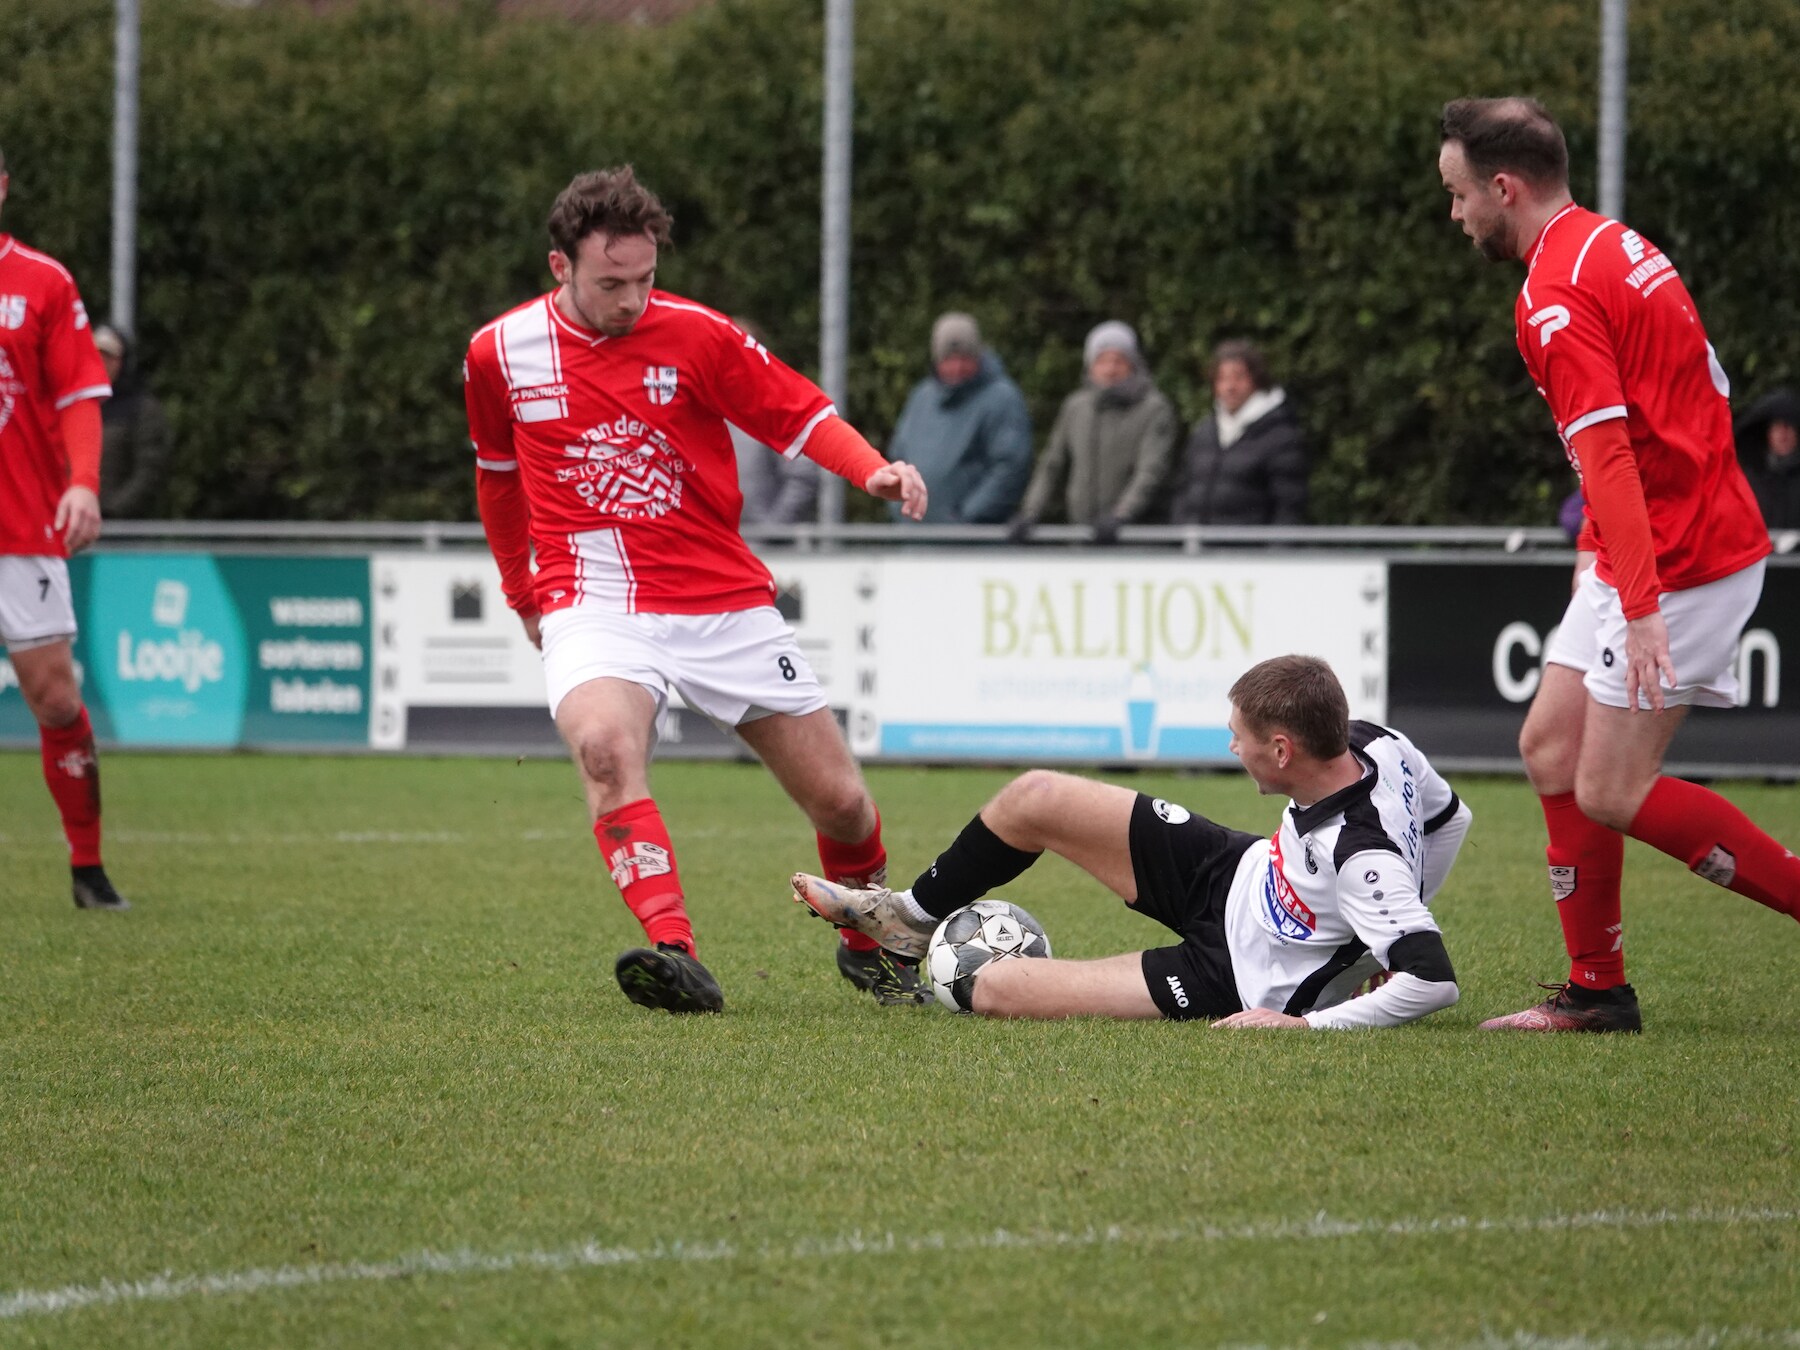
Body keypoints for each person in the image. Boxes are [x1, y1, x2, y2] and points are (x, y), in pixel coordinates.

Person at [464, 166, 928, 1013]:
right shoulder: (498, 353)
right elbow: (497, 478)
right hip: (591, 598)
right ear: (559, 267)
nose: (634, 299)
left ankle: (866, 942)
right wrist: (524, 593)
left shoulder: (700, 335)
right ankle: (673, 952)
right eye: (612, 283)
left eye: (645, 279)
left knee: (843, 803)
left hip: (720, 600)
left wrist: (874, 471)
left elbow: (798, 414)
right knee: (605, 750)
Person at [1438, 96, 1800, 1033]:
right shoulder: (1612, 243)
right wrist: (1598, 558)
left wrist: (1637, 600)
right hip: (1646, 546)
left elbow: (1612, 456)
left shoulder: (1552, 294)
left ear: (1503, 187)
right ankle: (1598, 991)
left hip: (1682, 559)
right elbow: (1680, 409)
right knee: (1549, 750)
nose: (1456, 214)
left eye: (1459, 194)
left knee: (1610, 788)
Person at [794, 655, 1470, 1028]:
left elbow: (1432, 982)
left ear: (1284, 749)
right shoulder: (1380, 743)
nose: (1232, 747)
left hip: (1238, 978)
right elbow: (1449, 820)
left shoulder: (1361, 858)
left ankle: (928, 966)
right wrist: (1379, 924)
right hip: (1232, 870)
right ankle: (909, 918)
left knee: (991, 988)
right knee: (1037, 797)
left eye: (1240, 737)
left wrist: (1312, 1021)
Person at [0, 144, 129, 910]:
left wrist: (83, 485)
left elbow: (79, 395)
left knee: (53, 699)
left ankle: (87, 865)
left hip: (21, 528)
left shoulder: (43, 282)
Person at [1009, 320, 1179, 544]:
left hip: (1133, 537)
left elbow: (1151, 470)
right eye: (1102, 361)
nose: (1110, 369)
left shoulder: (1154, 409)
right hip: (1081, 535)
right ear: (1090, 365)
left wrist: (1121, 514)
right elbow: (1052, 464)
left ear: (1133, 364)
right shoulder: (1075, 407)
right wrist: (1029, 513)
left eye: (1119, 360)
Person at [884, 312, 1032, 524]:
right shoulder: (921, 397)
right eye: (948, 359)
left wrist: (965, 517)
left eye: (965, 358)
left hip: (971, 546)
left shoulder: (1001, 399)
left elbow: (1010, 467)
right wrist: (898, 506)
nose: (957, 367)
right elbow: (898, 456)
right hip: (915, 539)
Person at [1170, 340, 1308, 526]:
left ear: (1256, 380)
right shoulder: (1203, 433)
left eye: (1238, 377)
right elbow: (1183, 492)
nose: (1230, 387)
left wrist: (1274, 554)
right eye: (1222, 378)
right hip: (1196, 551)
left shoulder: (1281, 438)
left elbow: (1289, 507)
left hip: (1249, 553)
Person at [728, 318, 820, 527]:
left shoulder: (779, 409)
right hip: (717, 548)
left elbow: (803, 479)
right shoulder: (701, 407)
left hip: (770, 553)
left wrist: (772, 531)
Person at [92, 324, 170, 519]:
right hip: (71, 525)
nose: (100, 362)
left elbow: (150, 471)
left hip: (122, 530)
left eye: (108, 356)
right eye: (94, 355)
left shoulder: (142, 409)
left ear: (122, 361)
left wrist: (111, 510)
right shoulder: (72, 406)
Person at [1734, 388, 1800, 530]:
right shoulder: (1750, 480)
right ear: (1768, 434)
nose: (1783, 434)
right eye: (1777, 427)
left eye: (1788, 427)